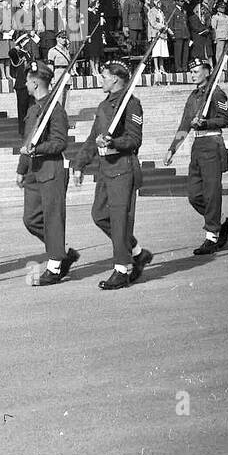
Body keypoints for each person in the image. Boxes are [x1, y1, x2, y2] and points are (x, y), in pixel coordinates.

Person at [71, 61, 152, 290]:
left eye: (104, 76)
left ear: (116, 79)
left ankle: (121, 270)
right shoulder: (104, 106)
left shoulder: (131, 104)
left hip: (122, 168)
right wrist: (79, 165)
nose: (102, 80)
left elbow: (135, 139)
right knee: (99, 215)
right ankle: (136, 252)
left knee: (119, 220)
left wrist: (114, 141)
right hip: (105, 169)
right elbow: (92, 138)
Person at [166, 56, 228, 256]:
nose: (193, 75)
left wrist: (206, 123)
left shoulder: (216, 93)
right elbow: (184, 125)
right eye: (192, 71)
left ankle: (212, 236)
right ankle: (221, 222)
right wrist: (172, 148)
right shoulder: (194, 96)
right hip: (198, 146)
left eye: (196, 71)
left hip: (212, 144)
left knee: (212, 194)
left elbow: (226, 120)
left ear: (207, 71)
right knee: (194, 194)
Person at [22, 63, 77, 286]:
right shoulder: (34, 109)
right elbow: (27, 140)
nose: (25, 84)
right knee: (31, 219)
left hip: (52, 168)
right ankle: (60, 252)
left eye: (27, 80)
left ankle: (54, 267)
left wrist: (39, 149)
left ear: (35, 83)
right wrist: (21, 168)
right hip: (34, 170)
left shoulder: (55, 109)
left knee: (53, 218)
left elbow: (60, 143)